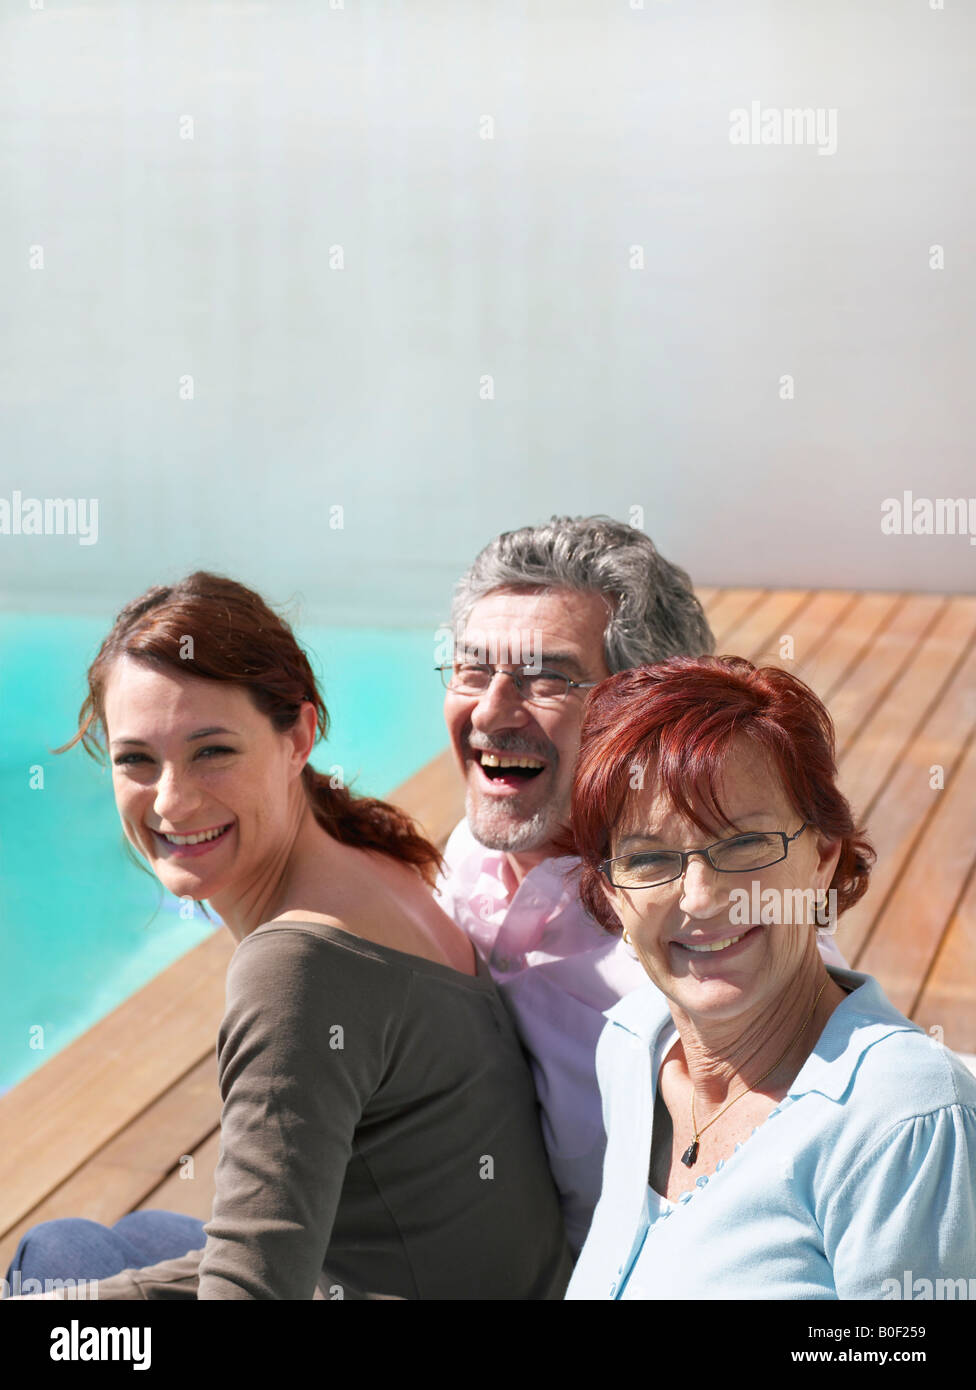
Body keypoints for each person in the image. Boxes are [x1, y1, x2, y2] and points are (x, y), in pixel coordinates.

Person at [6, 572, 571, 1300]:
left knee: (52, 1255)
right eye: (136, 759)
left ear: (298, 736)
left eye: (212, 751)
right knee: (106, 1247)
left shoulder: (295, 969)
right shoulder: (371, 857)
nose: (172, 801)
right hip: (432, 1271)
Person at [435, 514, 846, 1250]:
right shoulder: (466, 853)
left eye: (548, 677)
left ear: (647, 714)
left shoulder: (712, 944)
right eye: (472, 669)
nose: (491, 711)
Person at [563, 656, 976, 1299]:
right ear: (611, 890)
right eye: (649, 858)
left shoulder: (901, 1118)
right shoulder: (631, 1045)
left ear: (823, 857)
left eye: (743, 845)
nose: (699, 899)